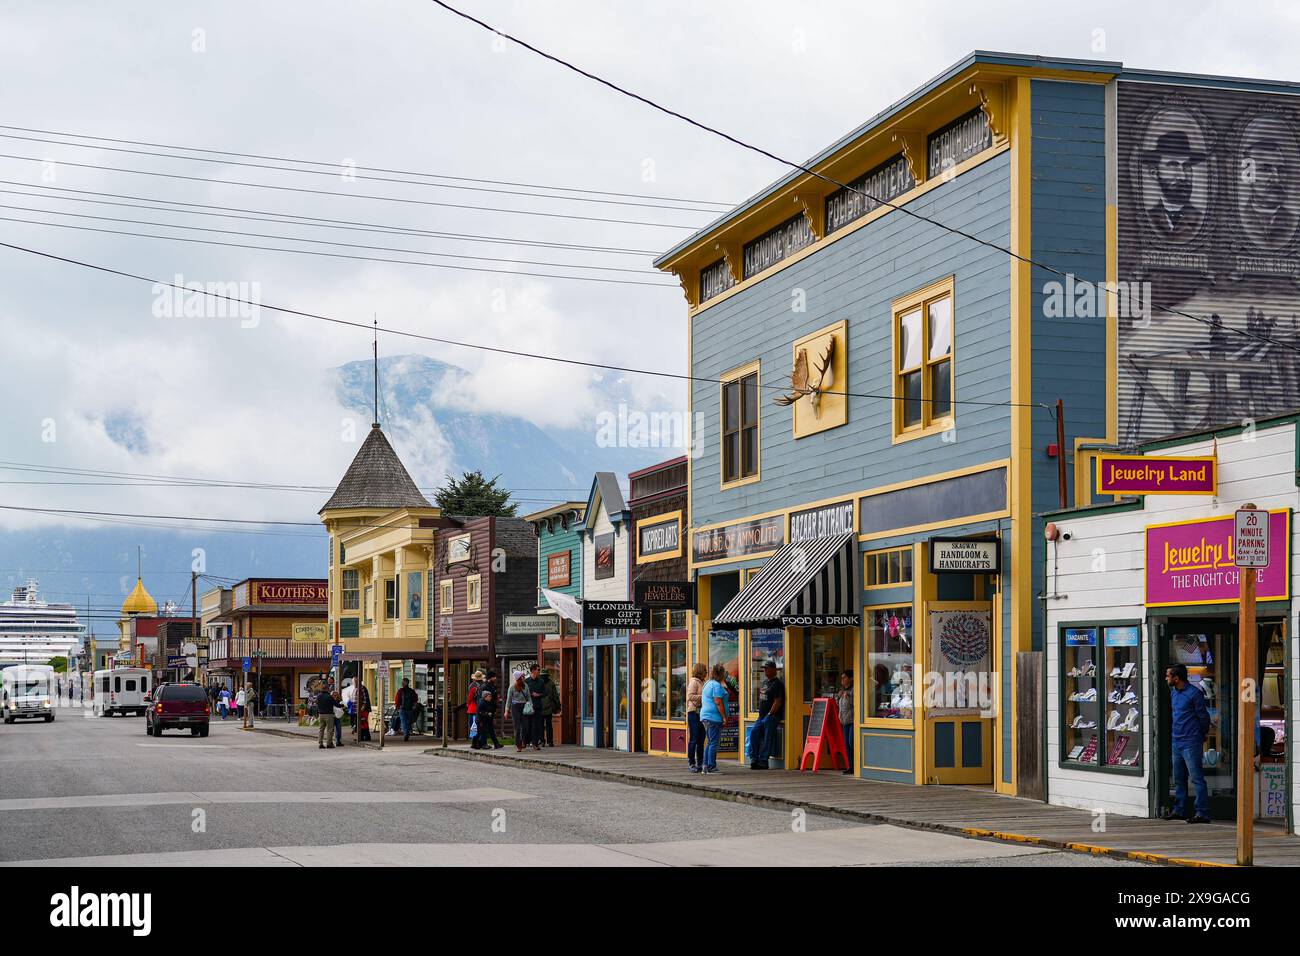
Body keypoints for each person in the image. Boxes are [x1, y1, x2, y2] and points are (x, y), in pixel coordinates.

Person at [1162, 664, 1211, 823]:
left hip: (1191, 740)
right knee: (1179, 777)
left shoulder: (1194, 694)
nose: (1166, 678)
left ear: (1176, 678)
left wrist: (1202, 734)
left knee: (1196, 777)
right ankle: (1179, 809)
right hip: (1176, 739)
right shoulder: (1174, 693)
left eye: (1168, 675)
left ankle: (1202, 812)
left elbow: (1203, 717)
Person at [749, 659, 785, 771]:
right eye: (765, 669)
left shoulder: (777, 684)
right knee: (754, 732)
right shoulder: (765, 682)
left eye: (768, 669)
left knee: (768, 737)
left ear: (774, 670)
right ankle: (754, 759)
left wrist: (770, 714)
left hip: (771, 716)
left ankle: (763, 761)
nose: (766, 671)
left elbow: (778, 701)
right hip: (761, 715)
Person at [700, 663, 729, 774]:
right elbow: (718, 702)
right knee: (713, 743)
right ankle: (711, 767)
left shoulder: (708, 683)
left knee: (710, 742)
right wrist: (724, 717)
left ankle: (705, 766)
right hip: (713, 718)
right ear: (721, 674)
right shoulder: (716, 686)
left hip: (706, 716)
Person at [685, 662, 706, 773]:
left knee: (701, 739)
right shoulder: (694, 682)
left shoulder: (703, 682)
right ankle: (691, 763)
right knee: (693, 738)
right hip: (693, 713)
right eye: (705, 671)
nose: (706, 673)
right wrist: (704, 697)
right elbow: (689, 696)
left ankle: (700, 763)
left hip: (701, 713)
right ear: (700, 671)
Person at [477, 670, 502, 749]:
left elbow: (493, 696)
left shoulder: (491, 686)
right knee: (485, 727)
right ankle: (483, 744)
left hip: (490, 709)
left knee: (490, 727)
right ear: (491, 677)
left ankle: (495, 743)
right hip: (485, 710)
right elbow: (482, 698)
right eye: (494, 677)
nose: (495, 678)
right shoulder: (485, 686)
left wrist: (496, 699)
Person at [835, 669, 854, 775]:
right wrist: (839, 697)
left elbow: (856, 703)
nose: (842, 679)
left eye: (845, 677)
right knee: (847, 745)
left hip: (852, 720)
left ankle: (856, 764)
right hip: (844, 720)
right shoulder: (842, 690)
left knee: (852, 742)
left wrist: (848, 697)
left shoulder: (853, 690)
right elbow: (840, 705)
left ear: (851, 678)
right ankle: (850, 766)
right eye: (842, 677)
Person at [525, 663, 546, 751]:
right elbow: (524, 693)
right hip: (529, 707)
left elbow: (545, 693)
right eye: (538, 670)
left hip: (538, 706)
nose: (539, 671)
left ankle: (535, 743)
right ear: (533, 670)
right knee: (527, 725)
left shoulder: (541, 681)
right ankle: (526, 741)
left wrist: (539, 694)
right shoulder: (527, 681)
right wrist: (530, 694)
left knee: (537, 725)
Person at [507, 672, 530, 752]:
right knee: (517, 727)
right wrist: (506, 710)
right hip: (515, 707)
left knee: (525, 726)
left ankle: (524, 740)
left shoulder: (526, 686)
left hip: (524, 706)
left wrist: (531, 706)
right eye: (522, 677)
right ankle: (518, 744)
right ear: (518, 678)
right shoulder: (512, 687)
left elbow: (529, 697)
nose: (524, 678)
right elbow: (509, 699)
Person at [540, 667, 561, 747]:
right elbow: (555, 696)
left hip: (540, 707)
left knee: (541, 725)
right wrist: (558, 706)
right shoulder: (551, 683)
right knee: (549, 725)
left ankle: (542, 741)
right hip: (548, 707)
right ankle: (550, 741)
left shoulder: (539, 683)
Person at [316, 682, 338, 749]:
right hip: (328, 715)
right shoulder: (329, 696)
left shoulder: (318, 696)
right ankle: (329, 744)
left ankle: (320, 743)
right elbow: (336, 704)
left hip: (321, 715)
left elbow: (317, 704)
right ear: (327, 689)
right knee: (329, 729)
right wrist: (342, 705)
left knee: (321, 729)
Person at [467, 669, 484, 749]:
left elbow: (470, 698)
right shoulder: (483, 685)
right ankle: (480, 742)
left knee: (473, 726)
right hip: (481, 707)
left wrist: (468, 704)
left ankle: (474, 742)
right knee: (480, 725)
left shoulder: (472, 686)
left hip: (472, 708)